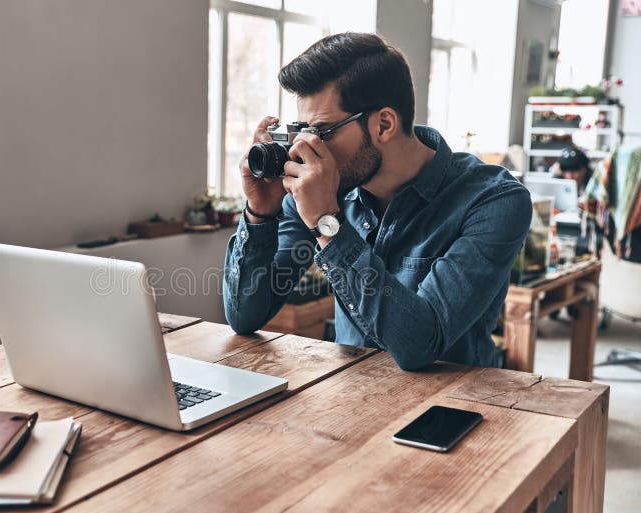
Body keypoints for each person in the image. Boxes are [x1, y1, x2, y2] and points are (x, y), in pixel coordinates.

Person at [222, 33, 532, 371]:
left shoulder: (492, 200)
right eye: (303, 131)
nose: (308, 148)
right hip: (350, 397)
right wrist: (260, 213)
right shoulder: (326, 187)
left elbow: (419, 346)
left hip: (451, 408)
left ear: (383, 124)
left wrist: (328, 222)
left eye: (322, 132)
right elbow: (245, 316)